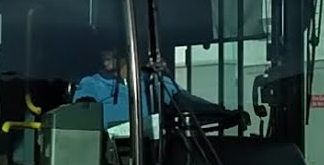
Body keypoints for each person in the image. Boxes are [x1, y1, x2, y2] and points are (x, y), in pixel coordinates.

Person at [71, 47, 240, 132]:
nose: (106, 53)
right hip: (108, 159)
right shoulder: (90, 84)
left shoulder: (154, 81)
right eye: (104, 49)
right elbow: (79, 118)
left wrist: (224, 113)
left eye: (112, 48)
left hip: (153, 155)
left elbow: (186, 102)